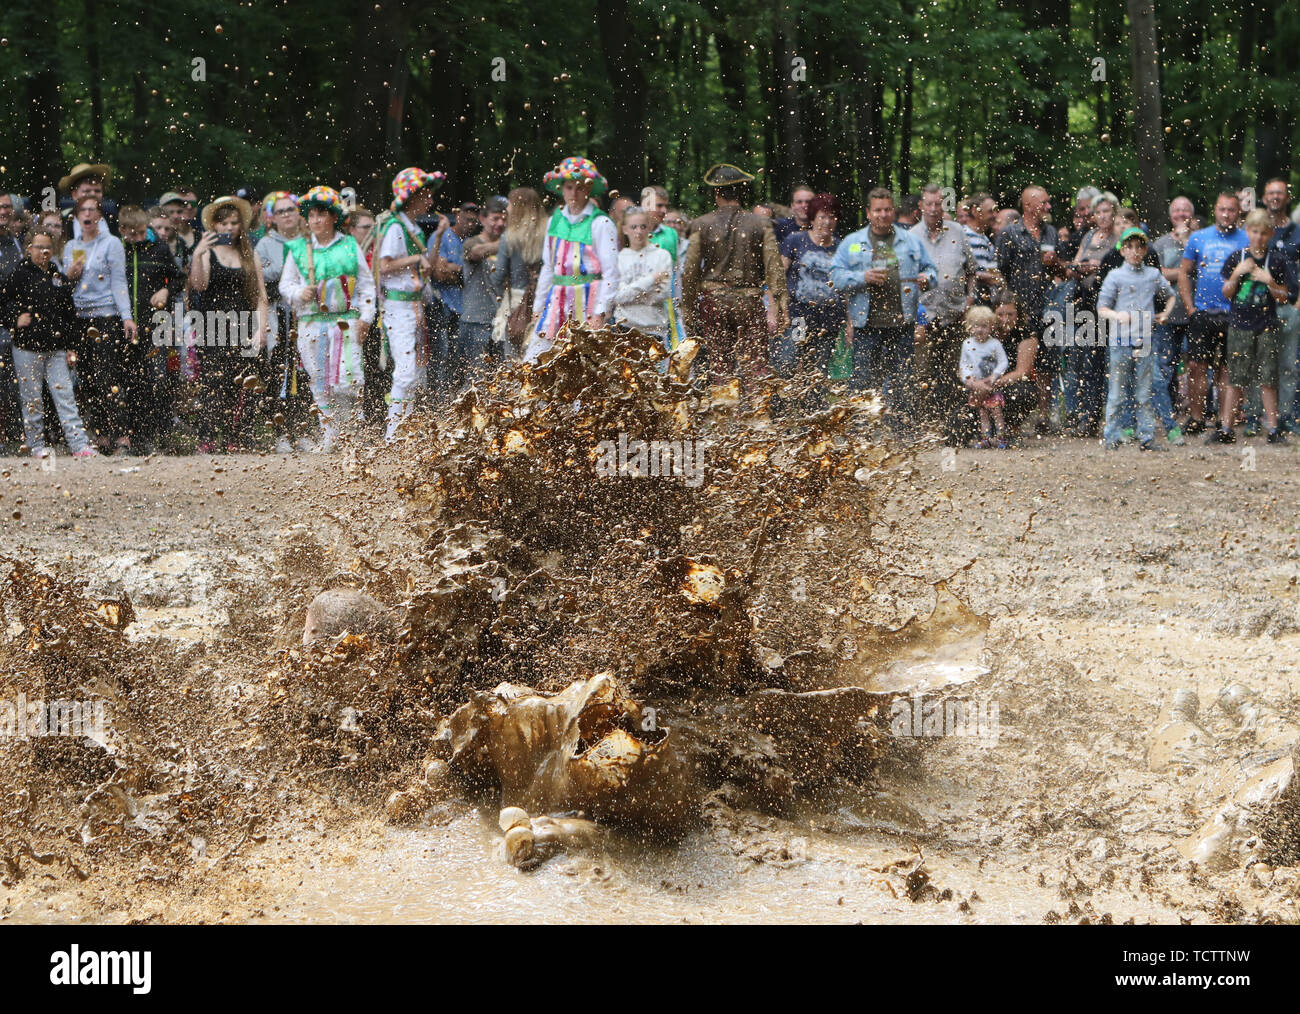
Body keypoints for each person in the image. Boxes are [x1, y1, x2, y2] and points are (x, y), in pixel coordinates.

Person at [278, 186, 376, 452]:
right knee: (319, 383)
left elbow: (367, 286)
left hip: (345, 322)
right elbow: (285, 286)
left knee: (349, 380)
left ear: (333, 217)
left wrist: (366, 317)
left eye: (322, 214)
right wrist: (300, 292)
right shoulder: (297, 248)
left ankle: (353, 434)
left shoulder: (349, 245)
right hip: (311, 323)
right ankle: (330, 436)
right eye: (311, 215)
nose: (316, 220)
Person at [830, 186, 936, 423]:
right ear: (868, 212)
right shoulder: (852, 242)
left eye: (888, 209)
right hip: (866, 324)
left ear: (893, 211)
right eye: (878, 210)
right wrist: (862, 278)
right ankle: (861, 435)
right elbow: (835, 276)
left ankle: (902, 436)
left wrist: (927, 279)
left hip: (902, 324)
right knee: (863, 383)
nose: (883, 214)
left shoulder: (910, 241)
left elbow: (931, 270)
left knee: (903, 382)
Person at [680, 163, 788, 391]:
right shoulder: (761, 223)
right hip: (749, 302)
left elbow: (689, 272)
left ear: (717, 192)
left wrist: (688, 311)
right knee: (756, 366)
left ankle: (723, 418)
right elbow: (774, 268)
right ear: (742, 192)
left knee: (720, 367)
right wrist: (780, 306)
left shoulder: (701, 224)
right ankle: (758, 421)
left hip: (713, 303)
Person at [0, 228, 96, 458]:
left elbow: (68, 315)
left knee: (65, 396)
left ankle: (78, 443)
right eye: (38, 247)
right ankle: (35, 444)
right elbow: (3, 302)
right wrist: (14, 319)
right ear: (28, 249)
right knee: (31, 397)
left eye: (48, 248)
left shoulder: (58, 277)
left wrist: (72, 344)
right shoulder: (18, 275)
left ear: (53, 251)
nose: (43, 252)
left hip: (56, 348)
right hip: (27, 347)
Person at [187, 196, 269, 453]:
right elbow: (199, 286)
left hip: (244, 326)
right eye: (223, 223)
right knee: (214, 386)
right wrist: (198, 254)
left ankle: (240, 439)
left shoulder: (249, 253)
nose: (229, 228)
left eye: (234, 223)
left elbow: (261, 297)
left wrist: (261, 330)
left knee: (245, 384)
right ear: (214, 226)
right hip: (214, 327)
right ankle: (209, 439)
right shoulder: (208, 253)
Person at [527, 157, 620, 362]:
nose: (574, 193)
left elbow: (611, 273)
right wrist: (537, 308)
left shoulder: (601, 223)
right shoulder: (554, 221)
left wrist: (600, 313)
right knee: (536, 358)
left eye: (579, 188)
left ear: (588, 189)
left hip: (589, 300)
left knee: (589, 363)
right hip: (557, 300)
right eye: (569, 187)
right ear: (561, 189)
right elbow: (548, 268)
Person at [62, 195, 136, 454]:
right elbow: (65, 288)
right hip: (80, 317)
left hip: (106, 316)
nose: (88, 214)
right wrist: (68, 276)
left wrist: (126, 315)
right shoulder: (71, 246)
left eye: (93, 209)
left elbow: (118, 281)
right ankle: (102, 434)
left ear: (100, 216)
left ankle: (122, 436)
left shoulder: (112, 243)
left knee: (109, 377)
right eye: (83, 209)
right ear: (77, 216)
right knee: (87, 379)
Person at [1218, 208, 1298, 444]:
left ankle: (1273, 430)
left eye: (1263, 233)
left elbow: (1285, 297)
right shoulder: (1237, 257)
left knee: (1268, 378)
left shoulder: (1278, 259)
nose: (1258, 237)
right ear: (1247, 231)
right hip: (1239, 324)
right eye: (1254, 232)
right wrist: (1235, 275)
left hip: (1267, 325)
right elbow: (1226, 293)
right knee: (1236, 378)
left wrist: (1269, 281)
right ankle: (1226, 429)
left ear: (1271, 234)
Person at [375, 168, 440, 441]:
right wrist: (415, 261)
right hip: (398, 307)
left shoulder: (413, 228)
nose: (430, 200)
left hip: (414, 306)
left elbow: (425, 269)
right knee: (405, 369)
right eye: (425, 194)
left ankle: (406, 429)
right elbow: (384, 265)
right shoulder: (396, 228)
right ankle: (392, 434)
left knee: (415, 371)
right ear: (411, 197)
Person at [1097, 228, 1176, 451]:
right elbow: (1101, 307)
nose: (1134, 251)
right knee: (1117, 392)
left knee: (1144, 392)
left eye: (1139, 246)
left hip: (1145, 340)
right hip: (1121, 340)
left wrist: (1166, 314)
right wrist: (1116, 315)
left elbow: (1170, 295)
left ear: (1144, 249)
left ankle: (1146, 436)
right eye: (1129, 247)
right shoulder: (1115, 276)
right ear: (1122, 250)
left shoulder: (1152, 274)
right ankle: (1111, 436)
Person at [1179, 192, 1247, 435]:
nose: (1226, 214)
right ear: (1215, 211)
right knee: (1197, 366)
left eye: (1231, 209)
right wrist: (1190, 307)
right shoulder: (1198, 238)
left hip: (1234, 313)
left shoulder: (1247, 238)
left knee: (1227, 369)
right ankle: (1196, 418)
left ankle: (1223, 420)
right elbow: (1184, 272)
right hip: (1203, 312)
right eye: (1222, 209)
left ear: (1238, 212)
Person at [912, 183, 976, 436]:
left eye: (938, 203)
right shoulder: (911, 236)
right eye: (929, 203)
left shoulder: (958, 232)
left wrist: (970, 299)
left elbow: (971, 270)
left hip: (955, 314)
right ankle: (925, 429)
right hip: (924, 317)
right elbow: (904, 280)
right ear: (921, 206)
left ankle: (953, 429)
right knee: (924, 373)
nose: (934, 208)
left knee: (953, 373)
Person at [118, 206, 175, 454]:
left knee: (156, 380)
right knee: (127, 382)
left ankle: (153, 438)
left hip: (156, 325)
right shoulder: (117, 249)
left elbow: (177, 277)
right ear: (122, 231)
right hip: (123, 325)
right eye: (134, 234)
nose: (140, 238)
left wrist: (166, 290)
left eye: (143, 232)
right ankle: (126, 437)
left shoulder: (159, 249)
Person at [1064, 192, 1121, 435]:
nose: (1102, 216)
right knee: (1087, 361)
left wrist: (1099, 267)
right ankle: (1087, 416)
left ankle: (1115, 417)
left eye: (1107, 211)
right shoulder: (1088, 236)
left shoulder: (1119, 238)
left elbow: (1121, 264)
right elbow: (1074, 265)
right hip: (1085, 303)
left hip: (1111, 305)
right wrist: (1080, 268)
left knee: (1110, 362)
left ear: (1114, 212)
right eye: (1098, 212)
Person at [780, 192, 846, 386]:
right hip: (799, 315)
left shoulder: (841, 248)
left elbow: (846, 286)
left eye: (832, 217)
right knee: (789, 360)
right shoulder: (796, 241)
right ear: (813, 218)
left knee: (819, 369)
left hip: (830, 318)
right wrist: (777, 309)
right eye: (822, 217)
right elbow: (778, 276)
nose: (827, 222)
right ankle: (782, 408)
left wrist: (849, 322)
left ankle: (813, 412)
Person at [1252, 178, 1300, 433]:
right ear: (1263, 196)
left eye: (1280, 193)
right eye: (1271, 192)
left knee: (1288, 365)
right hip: (1258, 309)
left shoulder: (1298, 231)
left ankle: (1286, 417)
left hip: (1288, 306)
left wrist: (1298, 304)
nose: (1275, 197)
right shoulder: (1256, 229)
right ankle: (1256, 417)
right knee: (1258, 364)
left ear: (1287, 198)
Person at [1151, 197, 1196, 444]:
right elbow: (1156, 274)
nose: (1181, 213)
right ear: (1171, 215)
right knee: (1165, 368)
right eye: (1177, 210)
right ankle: (1165, 416)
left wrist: (1187, 242)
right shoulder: (1160, 243)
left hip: (1194, 313)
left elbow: (1205, 268)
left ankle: (1198, 415)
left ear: (1192, 215)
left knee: (1197, 367)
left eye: (1185, 210)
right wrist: (1184, 271)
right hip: (1167, 315)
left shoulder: (1199, 241)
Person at [491, 186, 547, 358]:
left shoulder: (509, 238)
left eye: (510, 204)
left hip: (515, 303)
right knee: (541, 356)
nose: (507, 209)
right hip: (544, 301)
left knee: (513, 360)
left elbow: (498, 276)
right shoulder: (548, 234)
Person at [458, 195, 508, 385]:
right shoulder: (472, 242)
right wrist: (510, 242)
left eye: (504, 218)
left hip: (500, 321)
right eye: (495, 218)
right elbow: (476, 253)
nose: (500, 223)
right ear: (483, 219)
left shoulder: (507, 245)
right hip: (475, 322)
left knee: (499, 381)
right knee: (474, 382)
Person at [430, 200, 479, 388]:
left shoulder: (469, 242)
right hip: (443, 306)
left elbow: (472, 275)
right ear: (457, 216)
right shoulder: (441, 237)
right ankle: (439, 402)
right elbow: (438, 271)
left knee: (459, 360)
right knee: (441, 359)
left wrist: (454, 270)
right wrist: (463, 272)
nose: (470, 224)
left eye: (474, 221)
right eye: (467, 219)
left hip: (463, 309)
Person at [614, 208, 673, 345]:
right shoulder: (619, 258)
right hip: (625, 327)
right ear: (625, 229)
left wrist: (631, 294)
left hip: (654, 327)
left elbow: (662, 294)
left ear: (649, 228)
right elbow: (618, 297)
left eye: (643, 227)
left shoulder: (662, 255)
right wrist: (651, 280)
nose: (638, 232)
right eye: (633, 227)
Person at [959, 305, 1009, 448]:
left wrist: (994, 376)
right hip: (976, 386)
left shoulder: (994, 344)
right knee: (983, 413)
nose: (980, 330)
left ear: (991, 327)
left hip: (992, 385)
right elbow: (964, 364)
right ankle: (985, 438)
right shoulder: (967, 344)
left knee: (997, 411)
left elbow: (1003, 361)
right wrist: (968, 379)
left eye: (984, 326)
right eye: (976, 326)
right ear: (970, 326)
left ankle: (1001, 437)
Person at [963, 193, 1003, 306]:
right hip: (972, 304)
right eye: (991, 211)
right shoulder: (965, 236)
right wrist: (998, 279)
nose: (995, 215)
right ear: (975, 211)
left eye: (996, 211)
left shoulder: (984, 238)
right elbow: (971, 272)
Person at [59, 164, 119, 239]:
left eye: (97, 191)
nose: (93, 194)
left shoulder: (113, 221)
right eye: (87, 191)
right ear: (74, 195)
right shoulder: (63, 222)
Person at [161, 192, 200, 276]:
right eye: (171, 212)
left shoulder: (196, 236)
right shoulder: (156, 237)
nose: (175, 216)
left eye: (179, 212)